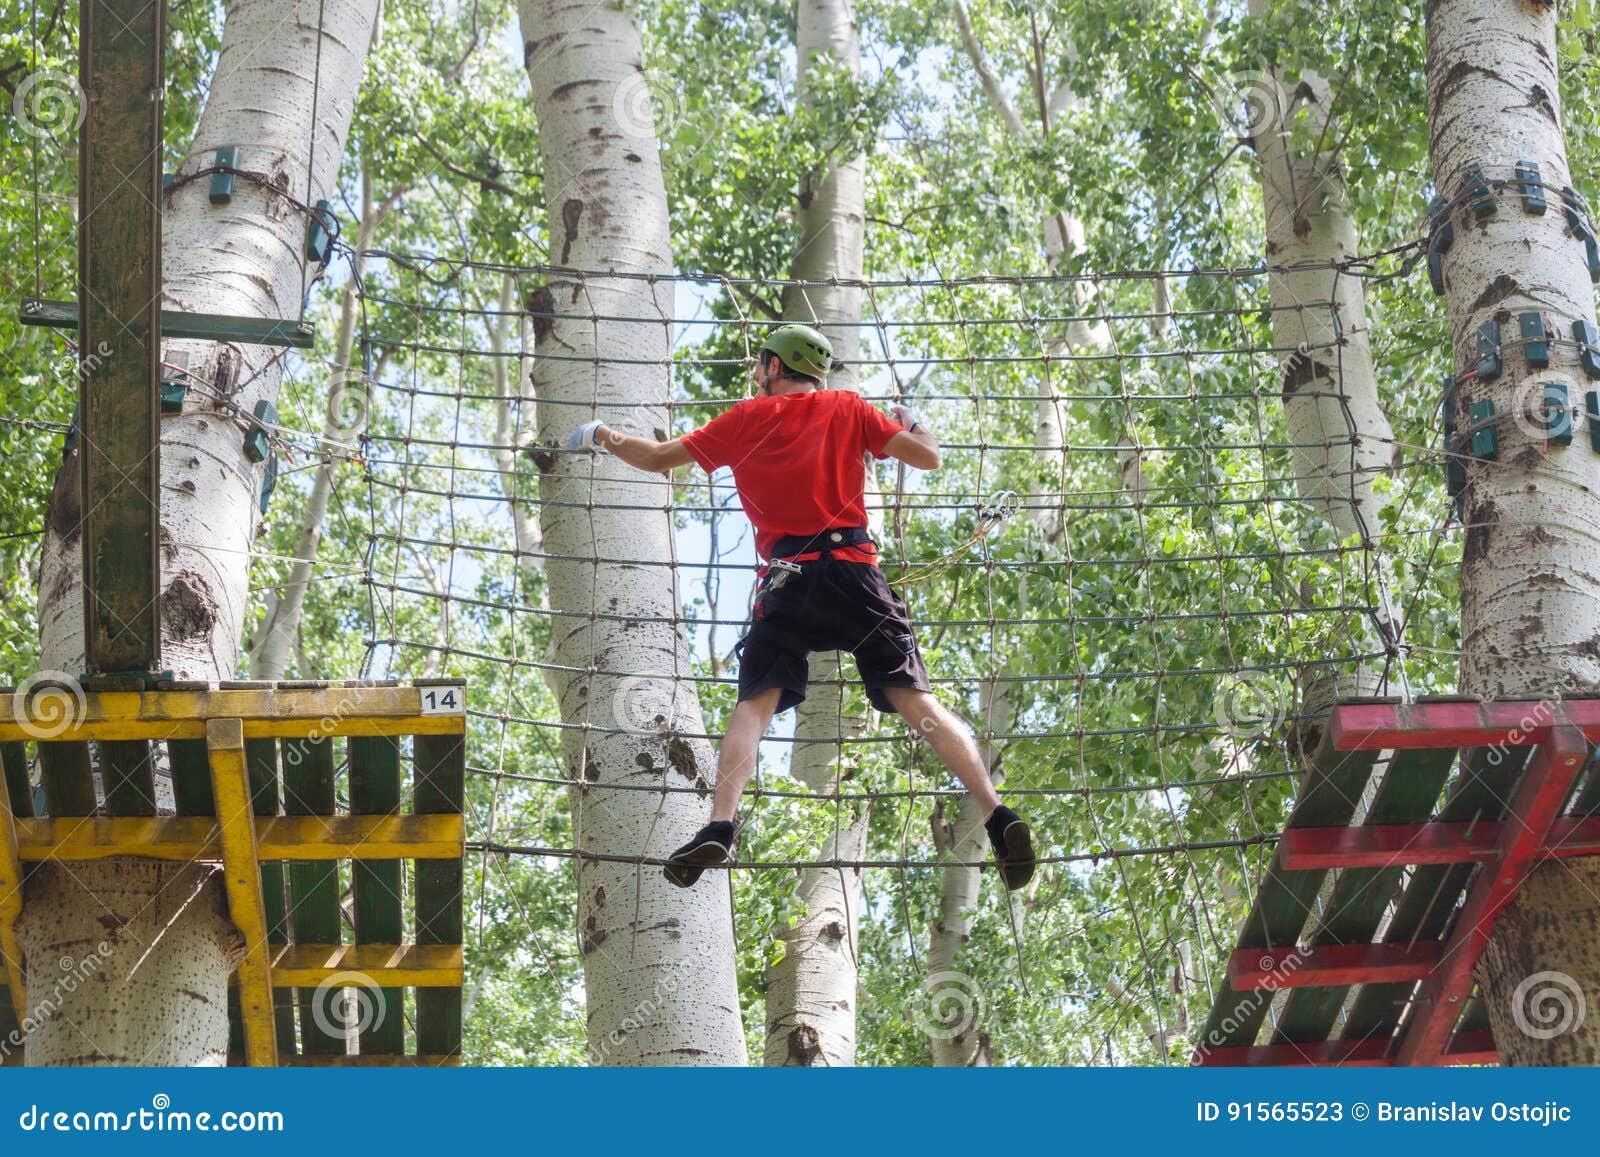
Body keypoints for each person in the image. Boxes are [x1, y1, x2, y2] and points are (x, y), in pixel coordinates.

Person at [565, 323, 1035, 893]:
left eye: (759, 363)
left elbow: (659, 458)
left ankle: (720, 823)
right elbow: (929, 458)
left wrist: (600, 435)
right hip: (855, 574)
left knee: (754, 707)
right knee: (916, 701)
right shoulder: (849, 407)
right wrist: (909, 420)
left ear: (772, 365)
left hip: (787, 581)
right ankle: (995, 813)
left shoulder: (743, 419)